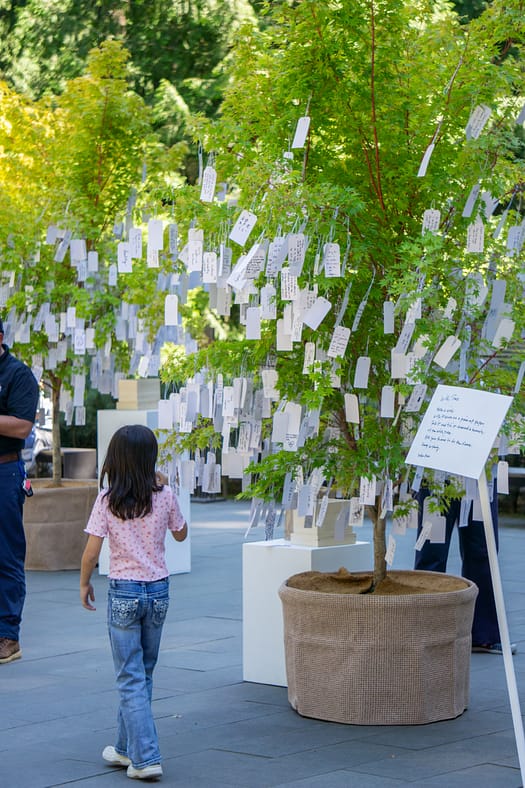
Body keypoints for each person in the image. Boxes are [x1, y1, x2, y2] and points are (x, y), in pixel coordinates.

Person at [80, 425, 187, 781]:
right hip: (158, 592)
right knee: (142, 673)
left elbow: (91, 551)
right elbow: (181, 533)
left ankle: (145, 758)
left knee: (129, 677)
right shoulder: (164, 496)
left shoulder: (107, 500)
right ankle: (125, 748)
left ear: (116, 460)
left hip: (124, 591)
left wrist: (84, 582)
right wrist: (166, 485)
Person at [414, 483, 516, 655]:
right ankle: (425, 630)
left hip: (478, 476)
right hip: (438, 475)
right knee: (431, 553)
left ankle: (483, 634)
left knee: (483, 551)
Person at [0, 317, 40, 665]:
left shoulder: (18, 374)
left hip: (4, 470)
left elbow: (22, 426)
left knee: (7, 555)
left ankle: (8, 636)